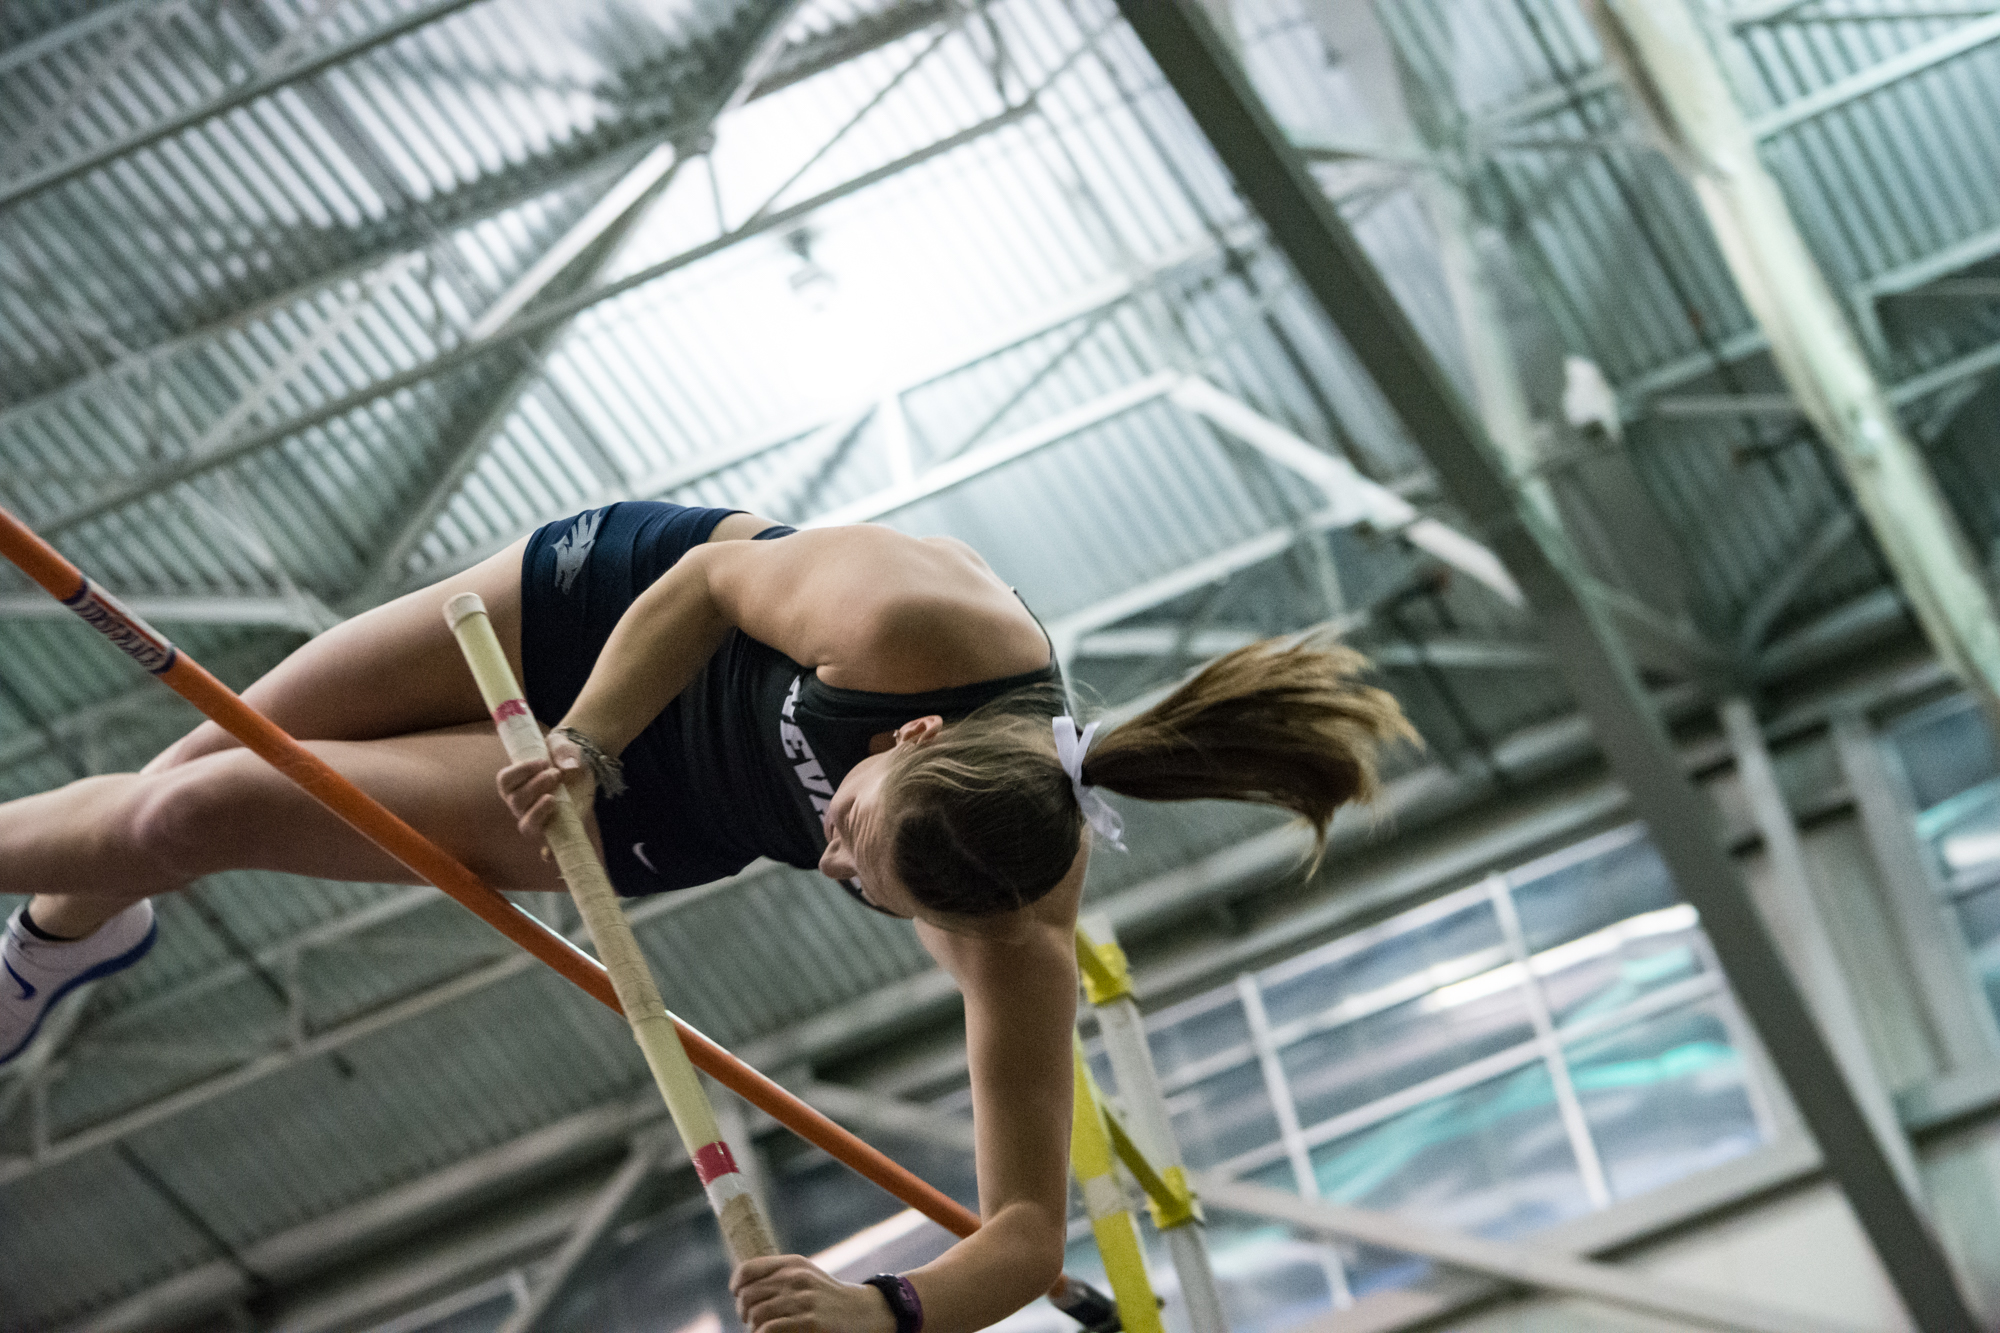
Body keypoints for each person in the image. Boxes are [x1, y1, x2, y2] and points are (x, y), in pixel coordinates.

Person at [0, 501, 1411, 1332]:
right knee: (188, 763)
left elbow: (1029, 1231)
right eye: (855, 835)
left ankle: (70, 926)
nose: (842, 868)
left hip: (643, 820)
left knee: (184, 816)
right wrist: (592, 733)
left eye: (862, 892)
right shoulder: (931, 622)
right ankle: (70, 933)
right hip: (607, 619)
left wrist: (883, 1310)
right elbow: (713, 579)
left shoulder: (1016, 920)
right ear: (909, 729)